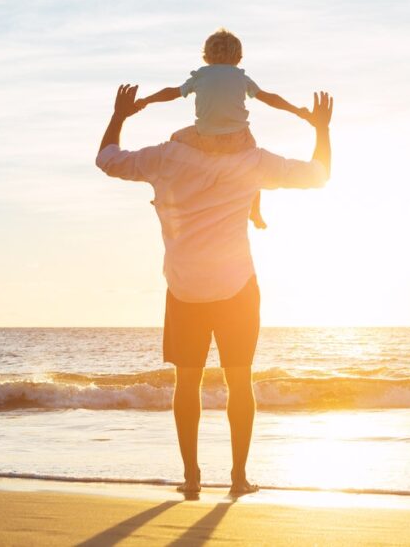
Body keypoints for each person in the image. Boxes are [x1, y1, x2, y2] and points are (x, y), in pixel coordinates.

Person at [96, 83, 333, 496]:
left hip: (185, 287)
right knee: (240, 382)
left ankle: (191, 479)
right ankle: (239, 479)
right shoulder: (252, 160)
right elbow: (318, 175)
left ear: (198, 106)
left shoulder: (166, 156)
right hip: (237, 287)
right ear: (240, 110)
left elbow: (107, 160)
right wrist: (321, 128)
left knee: (187, 384)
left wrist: (120, 116)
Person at [131, 28, 312, 229]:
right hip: (239, 141)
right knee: (254, 168)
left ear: (206, 56)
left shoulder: (200, 76)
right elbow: (269, 98)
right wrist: (296, 110)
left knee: (175, 140)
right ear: (238, 57)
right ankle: (255, 211)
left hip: (205, 139)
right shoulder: (241, 77)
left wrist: (146, 100)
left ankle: (165, 192)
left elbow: (171, 92)